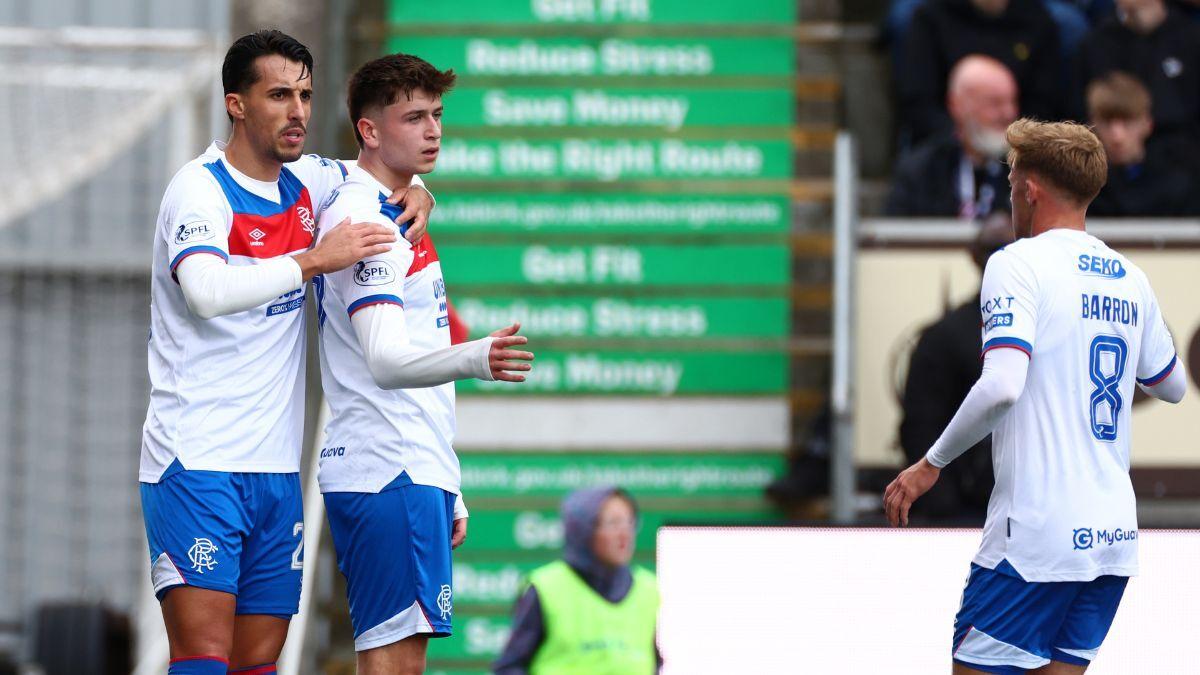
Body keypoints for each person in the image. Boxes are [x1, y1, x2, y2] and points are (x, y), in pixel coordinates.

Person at [138, 30, 434, 674]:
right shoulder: (201, 190)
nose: (297, 110)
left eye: (304, 93)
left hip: (275, 473)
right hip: (198, 460)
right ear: (236, 104)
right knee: (201, 661)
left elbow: (376, 173)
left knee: (258, 665)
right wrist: (312, 260)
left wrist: (417, 192)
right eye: (278, 95)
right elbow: (207, 292)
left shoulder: (312, 181)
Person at [885, 118, 1186, 673]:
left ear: (1028, 188)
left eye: (1010, 182)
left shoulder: (1016, 263)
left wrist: (931, 464)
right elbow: (1172, 385)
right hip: (1113, 538)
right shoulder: (1130, 278)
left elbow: (1002, 384)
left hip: (1035, 540)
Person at [314, 53, 535, 674]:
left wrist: (449, 478)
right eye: (414, 117)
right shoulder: (370, 219)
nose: (434, 130)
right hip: (390, 468)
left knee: (397, 664)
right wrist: (478, 357)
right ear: (369, 130)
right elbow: (385, 361)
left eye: (437, 114)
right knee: (393, 667)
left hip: (411, 465)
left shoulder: (403, 204)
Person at [899, 211, 1014, 523]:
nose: (1000, 258)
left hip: (1034, 513)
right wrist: (948, 512)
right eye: (993, 249)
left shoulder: (1050, 325)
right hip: (969, 512)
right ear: (975, 255)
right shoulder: (944, 336)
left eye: (1010, 248)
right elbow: (920, 425)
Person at [494, 487, 660, 675]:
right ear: (583, 529)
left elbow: (655, 663)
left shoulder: (649, 590)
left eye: (630, 522)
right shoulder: (546, 587)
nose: (625, 534)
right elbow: (509, 667)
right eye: (613, 523)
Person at [897, 0, 1061, 145]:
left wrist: (1012, 141)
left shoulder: (1039, 21)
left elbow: (1044, 103)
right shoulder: (930, 17)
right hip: (946, 144)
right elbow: (919, 99)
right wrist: (961, 141)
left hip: (1016, 146)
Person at [887, 55, 1017, 218]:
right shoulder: (921, 171)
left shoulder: (1030, 170)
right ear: (957, 105)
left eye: (1012, 101)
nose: (1008, 113)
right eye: (994, 103)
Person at [1071, 0, 1200, 139]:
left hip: (1181, 150)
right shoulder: (1095, 44)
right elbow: (1078, 114)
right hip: (1107, 152)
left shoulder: (1191, 39)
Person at [1086, 71, 1200, 216]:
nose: (1117, 136)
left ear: (1148, 124)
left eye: (1127, 122)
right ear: (1092, 124)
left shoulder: (1179, 188)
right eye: (1107, 122)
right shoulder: (1081, 190)